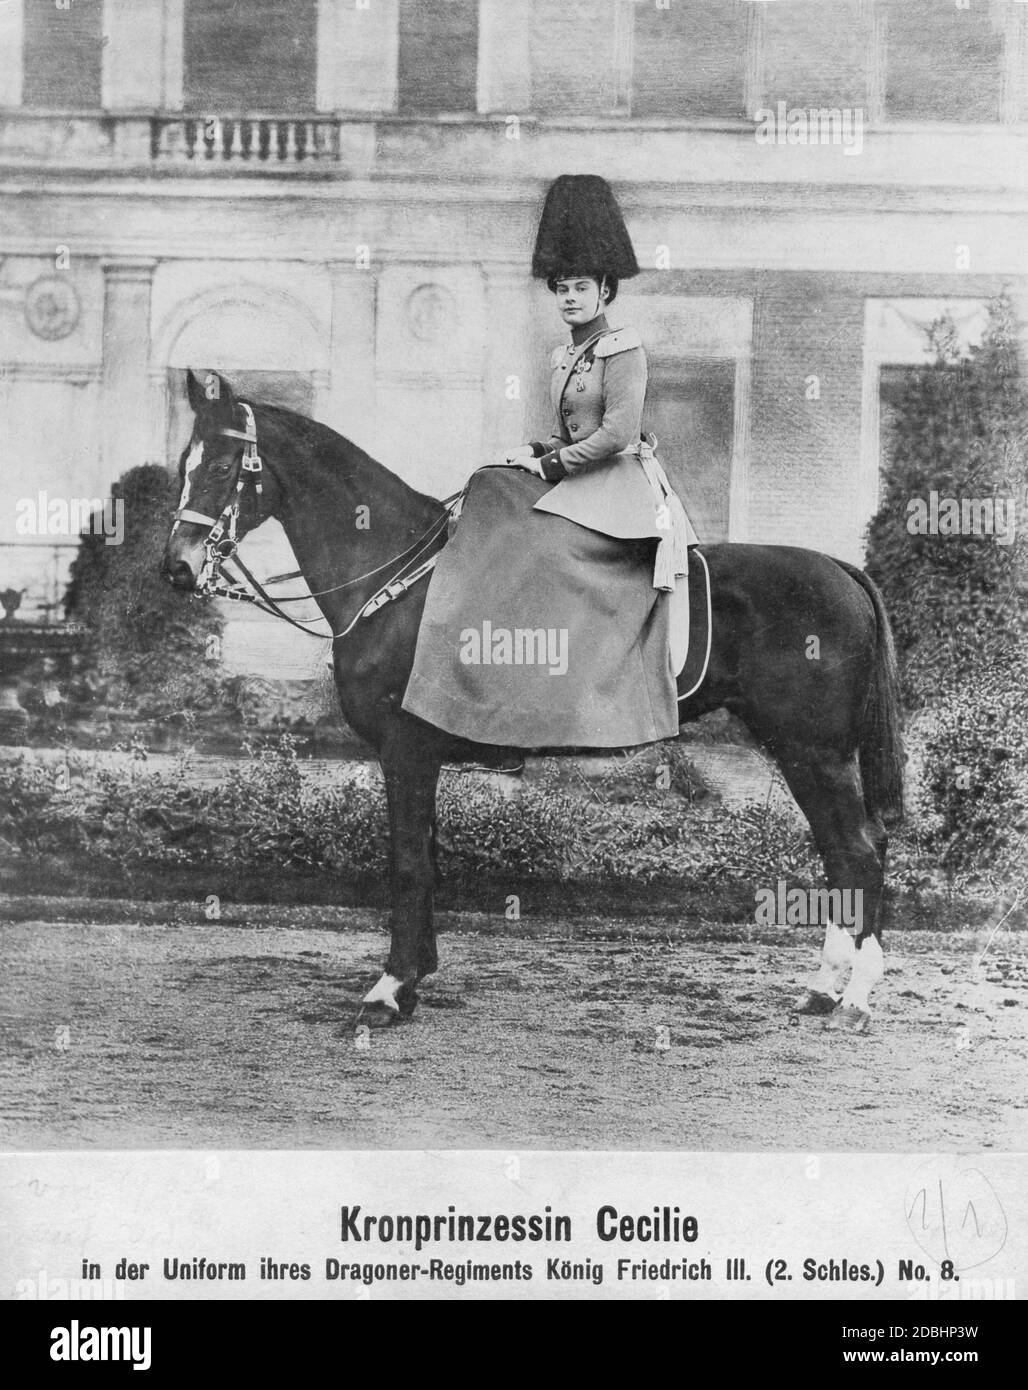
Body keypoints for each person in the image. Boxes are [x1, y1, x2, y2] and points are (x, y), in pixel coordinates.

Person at [401, 175, 698, 751]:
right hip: (580, 476)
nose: (568, 297)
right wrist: (534, 452)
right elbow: (568, 429)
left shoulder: (622, 349)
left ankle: (572, 684)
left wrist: (554, 466)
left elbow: (616, 433)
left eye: (580, 287)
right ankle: (485, 675)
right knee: (487, 490)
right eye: (560, 287)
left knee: (542, 545)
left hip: (620, 487)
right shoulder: (565, 353)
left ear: (606, 291)